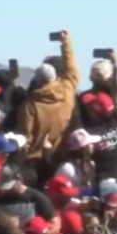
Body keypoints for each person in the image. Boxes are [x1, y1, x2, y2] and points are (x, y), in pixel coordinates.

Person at [16, 31, 80, 172]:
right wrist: (66, 43)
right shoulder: (68, 91)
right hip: (58, 158)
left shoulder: (30, 106)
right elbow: (72, 68)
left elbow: (26, 136)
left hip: (33, 161)